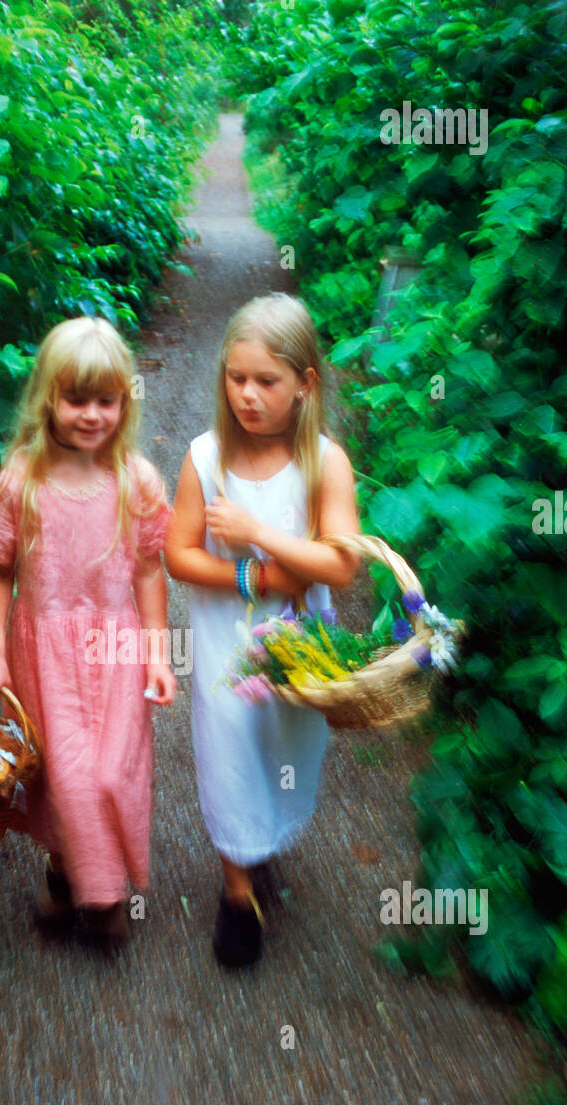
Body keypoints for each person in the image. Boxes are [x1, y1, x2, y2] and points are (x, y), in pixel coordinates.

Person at [164, 293, 360, 967]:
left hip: (298, 646)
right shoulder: (206, 458)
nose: (247, 396)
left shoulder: (323, 463)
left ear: (305, 384)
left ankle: (262, 842)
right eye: (235, 378)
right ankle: (235, 886)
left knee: (284, 745)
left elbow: (341, 561)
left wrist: (258, 537)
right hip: (226, 637)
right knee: (227, 747)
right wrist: (256, 577)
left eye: (266, 382)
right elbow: (178, 554)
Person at [0, 316, 177, 948]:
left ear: (125, 402)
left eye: (106, 400)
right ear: (48, 399)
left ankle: (87, 883)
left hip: (116, 650)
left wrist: (159, 653)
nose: (91, 415)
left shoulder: (135, 478)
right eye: (75, 399)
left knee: (111, 773)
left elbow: (148, 571)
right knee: (63, 776)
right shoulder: (22, 479)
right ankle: (83, 892)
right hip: (47, 653)